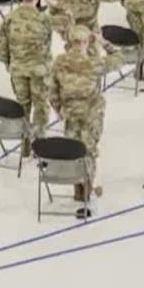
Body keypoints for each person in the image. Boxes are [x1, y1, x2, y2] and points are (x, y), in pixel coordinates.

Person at [49, 25, 113, 215]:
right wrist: (103, 42)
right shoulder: (93, 63)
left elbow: (52, 90)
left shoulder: (59, 62)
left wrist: (57, 109)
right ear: (86, 42)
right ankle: (87, 188)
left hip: (70, 112)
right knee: (89, 151)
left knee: (75, 149)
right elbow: (119, 58)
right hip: (91, 113)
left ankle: (77, 187)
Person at [0, 0, 54, 145]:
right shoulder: (43, 19)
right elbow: (47, 43)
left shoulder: (9, 18)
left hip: (18, 69)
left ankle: (25, 144)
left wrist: (10, 65)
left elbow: (2, 47)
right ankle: (40, 142)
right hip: (39, 70)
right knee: (41, 106)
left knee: (22, 106)